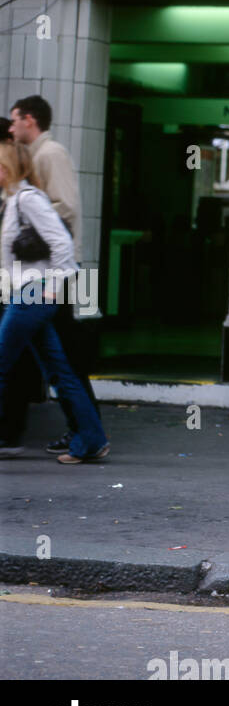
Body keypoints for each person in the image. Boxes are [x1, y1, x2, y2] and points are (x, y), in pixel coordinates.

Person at [0, 138, 108, 463]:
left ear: (5, 168)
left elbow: (62, 242)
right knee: (59, 370)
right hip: (23, 294)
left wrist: (52, 288)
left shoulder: (28, 199)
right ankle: (91, 440)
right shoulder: (12, 200)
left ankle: (90, 439)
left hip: (33, 294)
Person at [9, 94, 94, 455]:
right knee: (56, 357)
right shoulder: (35, 157)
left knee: (67, 358)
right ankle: (85, 432)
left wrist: (26, 227)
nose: (11, 128)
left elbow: (65, 209)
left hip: (55, 276)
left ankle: (88, 431)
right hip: (46, 276)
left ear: (30, 120)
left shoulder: (50, 154)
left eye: (15, 120)